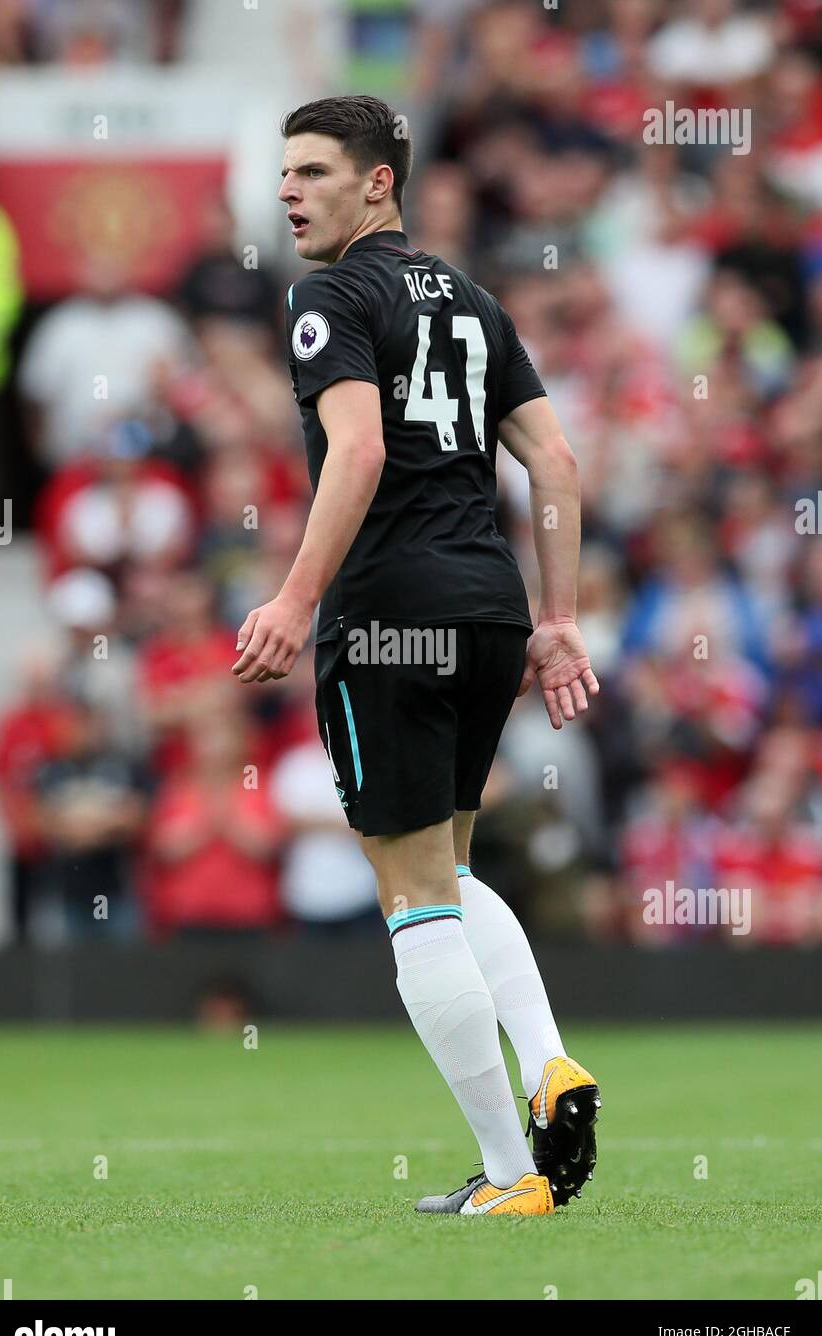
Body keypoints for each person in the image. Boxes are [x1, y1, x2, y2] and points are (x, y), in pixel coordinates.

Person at [232, 95, 601, 1218]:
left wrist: (297, 597)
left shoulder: (328, 295)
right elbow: (558, 463)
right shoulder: (476, 300)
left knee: (408, 897)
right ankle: (551, 1064)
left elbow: (357, 446)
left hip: (387, 608)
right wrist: (563, 615)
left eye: (312, 172)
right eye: (283, 174)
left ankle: (509, 1172)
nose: (288, 192)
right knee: (448, 868)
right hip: (490, 609)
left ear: (378, 183)